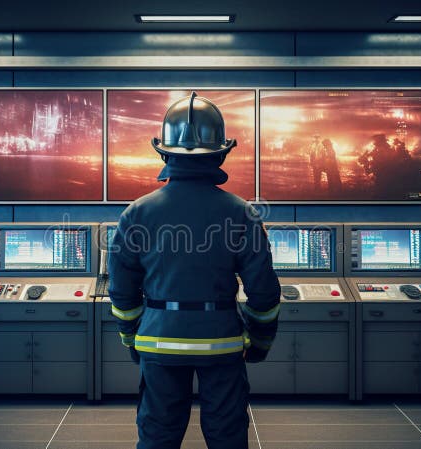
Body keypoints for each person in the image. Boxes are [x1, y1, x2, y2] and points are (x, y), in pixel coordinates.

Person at [108, 92, 281, 449]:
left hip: (158, 341)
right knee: (227, 437)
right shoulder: (242, 213)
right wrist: (260, 343)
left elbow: (122, 291)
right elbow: (263, 292)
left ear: (163, 152)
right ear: (222, 152)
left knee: (158, 436)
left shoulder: (136, 213)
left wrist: (132, 339)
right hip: (223, 344)